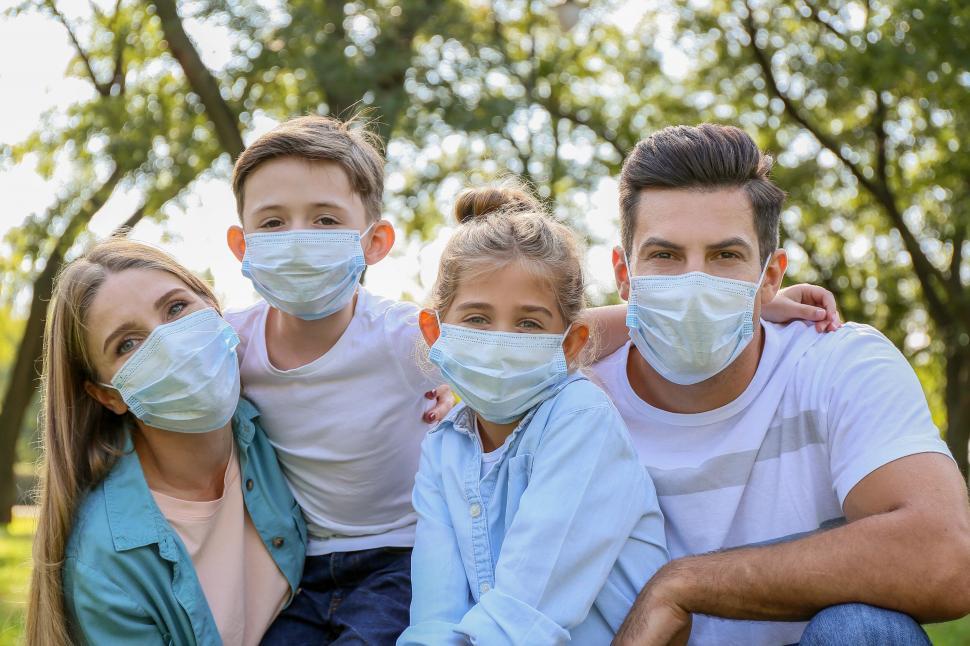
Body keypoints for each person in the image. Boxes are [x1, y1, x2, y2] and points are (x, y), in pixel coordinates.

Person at [591, 124, 970, 645]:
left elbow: (944, 555)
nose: (694, 285)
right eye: (665, 256)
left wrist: (682, 584)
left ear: (769, 275)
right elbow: (459, 338)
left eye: (726, 257)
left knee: (863, 631)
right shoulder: (573, 392)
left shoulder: (838, 362)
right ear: (624, 273)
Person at [398, 186, 669, 645]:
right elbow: (435, 612)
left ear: (570, 343)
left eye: (528, 323)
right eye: (477, 319)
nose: (500, 340)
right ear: (434, 331)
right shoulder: (442, 447)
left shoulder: (581, 421)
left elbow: (523, 616)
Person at [225, 115, 452, 644]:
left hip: (400, 558)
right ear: (242, 245)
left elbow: (527, 341)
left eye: (326, 220)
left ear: (375, 242)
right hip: (292, 564)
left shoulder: (401, 337)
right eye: (273, 222)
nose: (299, 239)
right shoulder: (231, 346)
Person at [24, 238, 306, 646]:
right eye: (128, 344)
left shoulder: (277, 410)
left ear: (211, 306)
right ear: (109, 395)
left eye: (176, 308)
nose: (170, 343)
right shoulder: (105, 563)